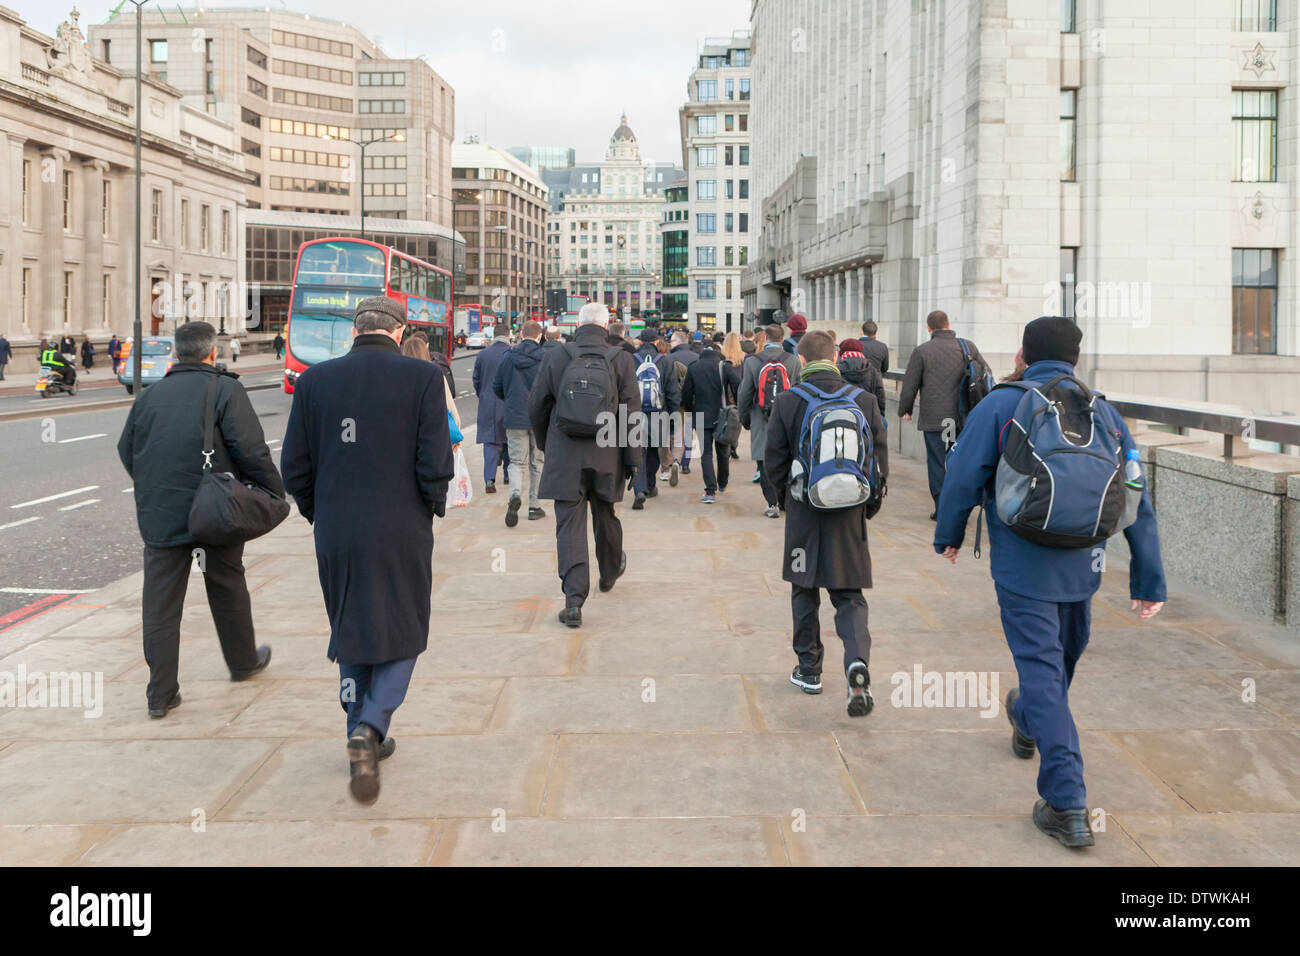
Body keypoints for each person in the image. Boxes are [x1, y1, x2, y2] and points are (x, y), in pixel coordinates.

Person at [933, 316, 1167, 848]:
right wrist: (1148, 579)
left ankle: (1064, 801)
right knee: (1058, 664)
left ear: (1022, 353)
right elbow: (1136, 494)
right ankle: (1044, 745)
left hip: (1021, 567)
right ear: (1076, 359)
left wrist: (948, 533)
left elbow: (964, 473)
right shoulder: (1103, 411)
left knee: (1045, 674)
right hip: (1085, 567)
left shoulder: (1001, 404)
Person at [280, 296, 454, 805]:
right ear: (399, 332)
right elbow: (434, 461)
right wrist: (429, 507)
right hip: (400, 526)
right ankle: (371, 727)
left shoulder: (313, 382)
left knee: (351, 626)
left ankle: (359, 725)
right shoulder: (421, 379)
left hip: (337, 529)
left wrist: (322, 513)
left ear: (354, 331)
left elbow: (295, 466)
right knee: (404, 628)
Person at [116, 321, 280, 719]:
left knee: (160, 604)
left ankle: (161, 694)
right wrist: (272, 490)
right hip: (215, 512)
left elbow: (127, 450)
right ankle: (242, 663)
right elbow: (251, 450)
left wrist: (154, 486)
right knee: (226, 584)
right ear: (212, 353)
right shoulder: (225, 389)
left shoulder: (149, 397)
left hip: (160, 515)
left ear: (175, 354)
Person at [764, 331, 888, 717]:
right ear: (834, 356)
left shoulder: (787, 401)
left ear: (801, 360)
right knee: (849, 595)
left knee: (804, 590)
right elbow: (879, 462)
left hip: (805, 512)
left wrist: (787, 501)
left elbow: (774, 463)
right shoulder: (863, 400)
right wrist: (866, 508)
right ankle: (856, 663)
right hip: (850, 511)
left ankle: (809, 670)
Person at [528, 302, 640, 628]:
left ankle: (574, 602)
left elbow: (537, 404)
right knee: (606, 513)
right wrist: (633, 462)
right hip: (607, 453)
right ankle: (609, 571)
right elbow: (631, 415)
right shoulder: (621, 359)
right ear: (608, 326)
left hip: (565, 452)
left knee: (569, 525)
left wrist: (546, 443)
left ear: (577, 324)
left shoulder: (558, 355)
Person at [898, 309, 990, 520]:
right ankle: (963, 508)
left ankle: (943, 510)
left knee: (938, 464)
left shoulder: (922, 351)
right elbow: (985, 375)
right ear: (949, 325)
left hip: (935, 420)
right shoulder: (968, 347)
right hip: (964, 418)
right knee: (961, 463)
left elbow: (910, 385)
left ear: (929, 328)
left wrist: (905, 409)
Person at [737, 324, 801, 518]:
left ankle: (771, 502)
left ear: (764, 339)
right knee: (787, 457)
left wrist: (744, 417)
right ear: (783, 339)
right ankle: (785, 500)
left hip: (760, 416)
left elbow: (745, 393)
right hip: (786, 418)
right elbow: (799, 390)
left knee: (764, 460)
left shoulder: (752, 361)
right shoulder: (793, 361)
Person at [493, 320, 547, 526]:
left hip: (515, 416)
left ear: (521, 334)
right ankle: (534, 506)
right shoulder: (544, 358)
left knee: (516, 462)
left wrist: (510, 400)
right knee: (537, 462)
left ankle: (514, 495)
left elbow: (497, 386)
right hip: (539, 418)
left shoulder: (508, 357)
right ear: (539, 336)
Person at [681, 338, 741, 503]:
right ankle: (722, 482)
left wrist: (689, 410)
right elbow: (738, 384)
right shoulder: (724, 367)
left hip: (700, 414)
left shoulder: (694, 367)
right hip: (722, 415)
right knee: (723, 452)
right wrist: (735, 404)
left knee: (706, 454)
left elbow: (686, 393)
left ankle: (710, 491)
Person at [630, 328, 681, 509]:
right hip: (659, 413)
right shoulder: (665, 361)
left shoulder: (631, 359)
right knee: (653, 449)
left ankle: (639, 489)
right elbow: (673, 392)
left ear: (640, 341)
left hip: (634, 413)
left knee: (638, 451)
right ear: (656, 342)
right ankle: (650, 486)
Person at [471, 322, 512, 493]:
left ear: (494, 336)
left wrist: (483, 394)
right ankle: (508, 474)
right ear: (508, 335)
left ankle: (489, 480)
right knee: (509, 441)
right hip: (508, 403)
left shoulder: (482, 355)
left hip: (487, 403)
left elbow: (476, 380)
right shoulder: (511, 354)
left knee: (490, 443)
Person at [668, 332, 700, 478]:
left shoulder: (669, 359)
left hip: (675, 401)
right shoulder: (697, 357)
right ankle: (685, 463)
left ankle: (674, 460)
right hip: (693, 401)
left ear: (678, 342)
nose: (669, 342)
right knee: (688, 432)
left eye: (672, 340)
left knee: (674, 432)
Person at [836, 338, 887, 415]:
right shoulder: (872, 370)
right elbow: (880, 394)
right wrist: (881, 415)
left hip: (844, 415)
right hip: (868, 415)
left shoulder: (836, 371)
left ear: (841, 353)